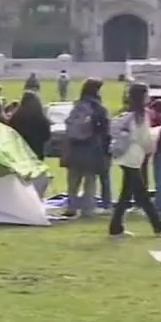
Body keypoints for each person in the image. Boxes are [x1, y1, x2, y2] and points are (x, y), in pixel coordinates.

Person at [108, 83, 161, 239]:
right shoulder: (142, 115)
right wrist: (152, 144)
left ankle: (116, 227)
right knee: (140, 194)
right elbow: (144, 138)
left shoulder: (130, 113)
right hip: (134, 156)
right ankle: (157, 225)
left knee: (129, 194)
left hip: (128, 156)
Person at [61, 79, 110, 218]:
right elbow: (105, 130)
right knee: (89, 179)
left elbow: (68, 126)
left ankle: (71, 207)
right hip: (91, 146)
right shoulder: (99, 109)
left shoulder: (77, 107)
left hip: (74, 146)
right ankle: (87, 209)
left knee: (73, 180)